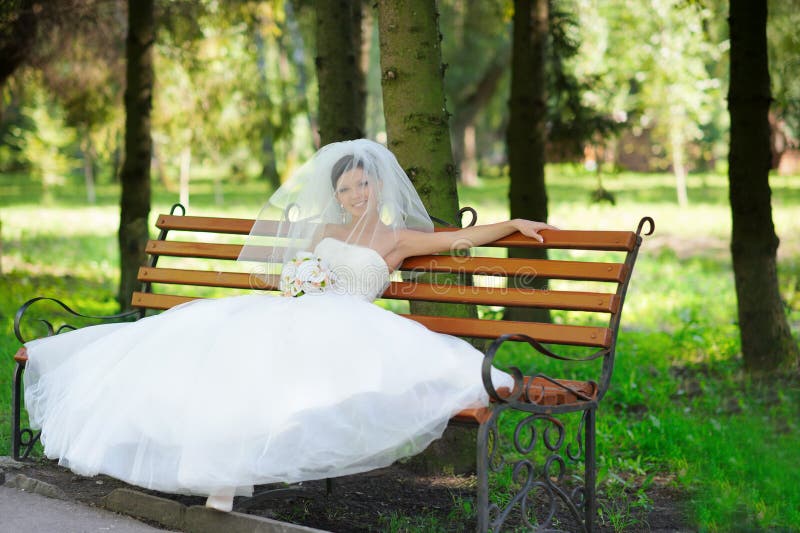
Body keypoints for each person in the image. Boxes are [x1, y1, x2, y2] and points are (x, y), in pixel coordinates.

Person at [22, 139, 556, 512]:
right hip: (292, 313)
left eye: (362, 185)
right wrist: (300, 281)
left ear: (378, 185)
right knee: (227, 357)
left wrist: (512, 223)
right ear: (338, 194)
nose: (355, 196)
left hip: (349, 328)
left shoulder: (397, 239)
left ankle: (225, 480)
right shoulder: (323, 225)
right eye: (345, 189)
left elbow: (457, 240)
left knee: (282, 376)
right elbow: (285, 269)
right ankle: (219, 476)